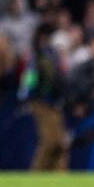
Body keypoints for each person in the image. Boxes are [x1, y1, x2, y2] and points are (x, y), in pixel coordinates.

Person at [20, 23, 68, 171]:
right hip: (43, 103)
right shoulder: (43, 58)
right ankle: (38, 174)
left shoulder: (48, 58)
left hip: (52, 104)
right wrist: (26, 94)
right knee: (50, 141)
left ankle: (59, 174)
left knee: (59, 143)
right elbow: (33, 78)